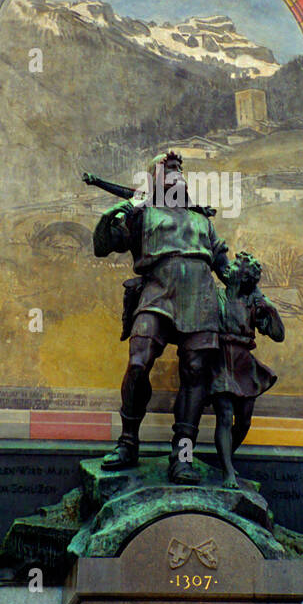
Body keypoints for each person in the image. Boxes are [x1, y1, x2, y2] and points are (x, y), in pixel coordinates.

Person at [92, 149, 229, 483]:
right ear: (154, 178)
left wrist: (249, 294)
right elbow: (102, 246)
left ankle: (183, 456)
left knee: (195, 372)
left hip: (200, 297)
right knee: (138, 363)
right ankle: (128, 443)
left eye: (180, 168)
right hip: (157, 292)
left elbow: (224, 266)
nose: (178, 171)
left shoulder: (202, 220)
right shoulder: (143, 215)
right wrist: (111, 215)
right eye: (169, 167)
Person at [211, 252, 285, 486]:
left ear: (244, 277)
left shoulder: (253, 304)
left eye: (235, 266)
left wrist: (271, 309)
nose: (229, 268)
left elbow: (278, 335)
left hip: (243, 362)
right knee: (224, 415)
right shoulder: (215, 295)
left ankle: (226, 460)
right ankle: (228, 471)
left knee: (243, 421)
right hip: (219, 358)